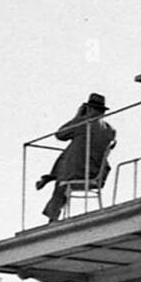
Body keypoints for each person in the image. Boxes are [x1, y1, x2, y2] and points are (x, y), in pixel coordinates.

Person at [35, 93, 116, 222]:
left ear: (89, 109)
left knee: (62, 182)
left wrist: (77, 117)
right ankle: (50, 177)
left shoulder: (84, 123)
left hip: (78, 172)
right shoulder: (110, 129)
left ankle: (52, 214)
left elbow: (60, 134)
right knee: (73, 149)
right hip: (96, 172)